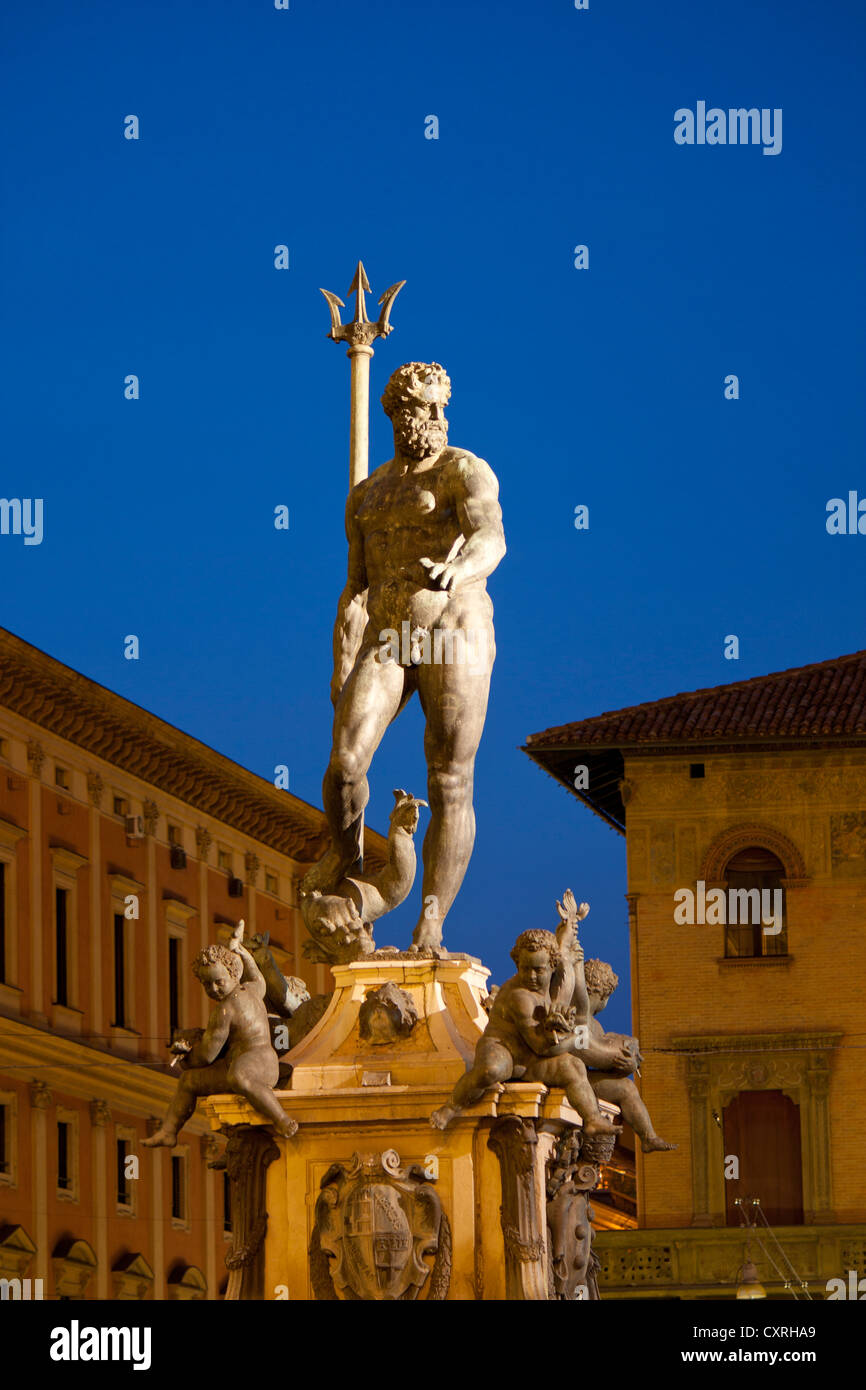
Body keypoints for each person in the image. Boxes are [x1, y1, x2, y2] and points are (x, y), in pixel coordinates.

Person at [309, 362, 506, 952]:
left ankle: (432, 920)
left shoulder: (463, 471)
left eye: (445, 408)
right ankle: (348, 861)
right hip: (389, 639)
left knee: (449, 776)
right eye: (428, 408)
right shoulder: (366, 496)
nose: (441, 419)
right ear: (398, 412)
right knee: (345, 764)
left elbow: (492, 536)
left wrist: (459, 569)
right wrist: (341, 664)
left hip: (455, 629)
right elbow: (354, 592)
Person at [430, 927, 621, 1136]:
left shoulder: (551, 981)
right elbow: (542, 1048)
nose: (531, 976)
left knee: (573, 1066)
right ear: (517, 965)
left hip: (529, 1055)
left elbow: (568, 974)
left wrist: (568, 939)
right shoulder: (520, 997)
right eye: (525, 968)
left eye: (538, 970)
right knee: (490, 1070)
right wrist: (575, 1039)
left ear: (551, 967)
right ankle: (450, 1107)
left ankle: (592, 1119)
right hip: (505, 1048)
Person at [143, 920, 297, 1147]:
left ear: (234, 974)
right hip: (261, 1063)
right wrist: (240, 951)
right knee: (188, 1082)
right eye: (207, 984)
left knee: (238, 1076)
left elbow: (206, 1055)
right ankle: (168, 1131)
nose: (213, 989)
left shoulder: (223, 1011)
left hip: (257, 1064)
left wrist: (186, 1055)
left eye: (218, 982)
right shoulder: (251, 989)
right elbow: (257, 976)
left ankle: (282, 1119)